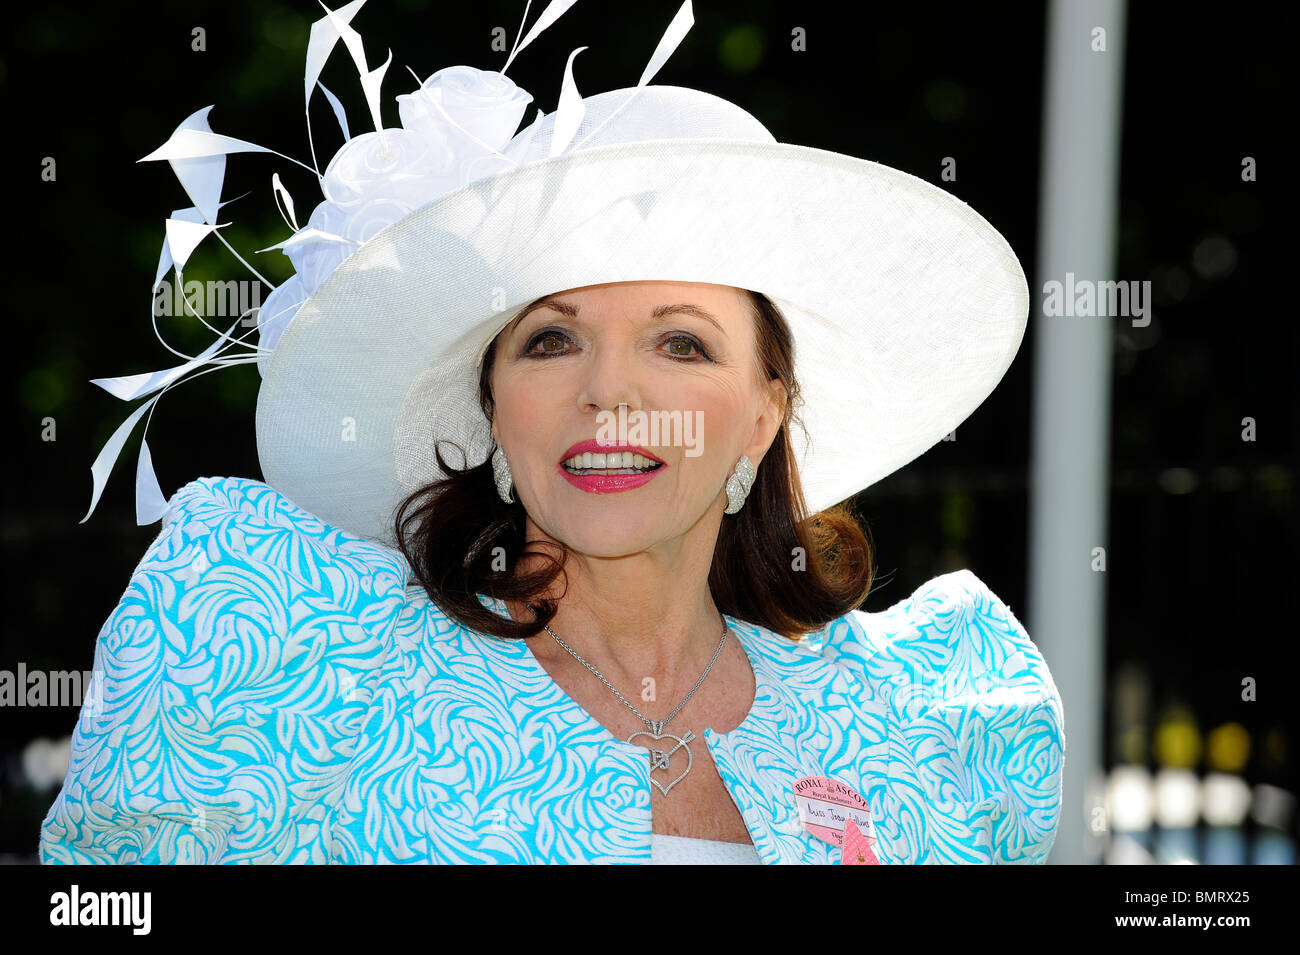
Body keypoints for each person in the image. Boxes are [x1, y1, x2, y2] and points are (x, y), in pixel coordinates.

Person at [39, 0, 1064, 864]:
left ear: (764, 411)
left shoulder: (913, 727)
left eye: (682, 344)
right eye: (551, 339)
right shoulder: (299, 667)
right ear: (491, 409)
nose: (610, 392)